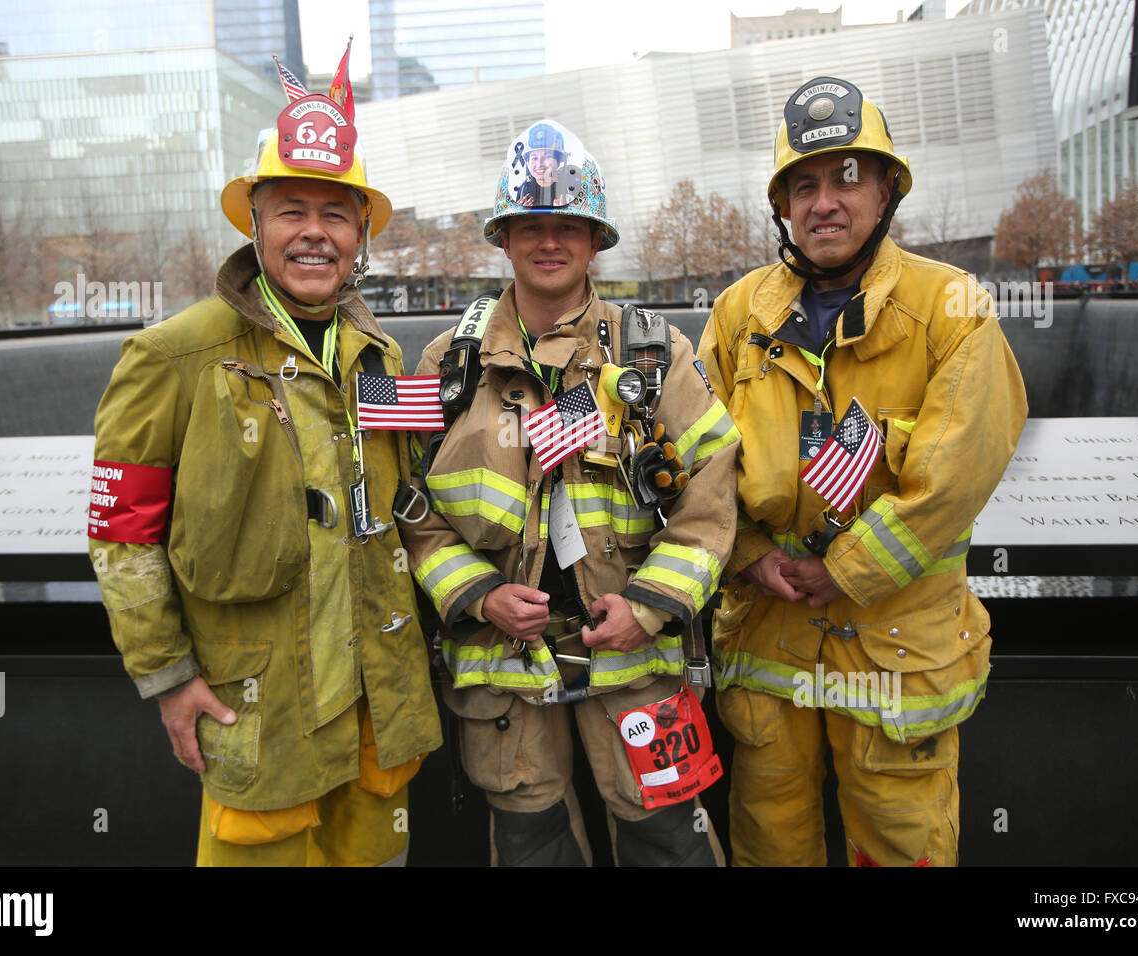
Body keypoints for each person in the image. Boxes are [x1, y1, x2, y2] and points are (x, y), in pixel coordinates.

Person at [88, 57, 441, 867]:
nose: (314, 232)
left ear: (360, 234)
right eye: (291, 211)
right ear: (255, 221)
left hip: (373, 711)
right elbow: (121, 535)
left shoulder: (379, 354)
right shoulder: (171, 356)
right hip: (259, 707)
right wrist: (168, 678)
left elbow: (399, 509)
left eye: (336, 214)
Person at [696, 76, 1027, 867]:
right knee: (770, 842)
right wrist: (749, 554)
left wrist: (844, 570)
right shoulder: (738, 316)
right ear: (782, 207)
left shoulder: (955, 308)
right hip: (769, 641)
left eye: (848, 177)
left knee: (901, 841)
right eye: (803, 185)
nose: (825, 202)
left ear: (886, 192)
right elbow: (694, 463)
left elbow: (952, 480)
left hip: (897, 653)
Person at [400, 119, 740, 866]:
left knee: (668, 845)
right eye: (531, 224)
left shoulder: (654, 353)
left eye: (569, 225)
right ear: (505, 237)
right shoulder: (447, 363)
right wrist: (482, 594)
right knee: (531, 847)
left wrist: (649, 606)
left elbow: (712, 502)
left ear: (595, 241)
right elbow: (415, 515)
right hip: (506, 681)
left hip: (641, 668)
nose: (548, 241)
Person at [516, 121, 571, 207]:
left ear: (559, 160)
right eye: (534, 158)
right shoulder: (523, 190)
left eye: (547, 157)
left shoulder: (570, 188)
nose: (539, 164)